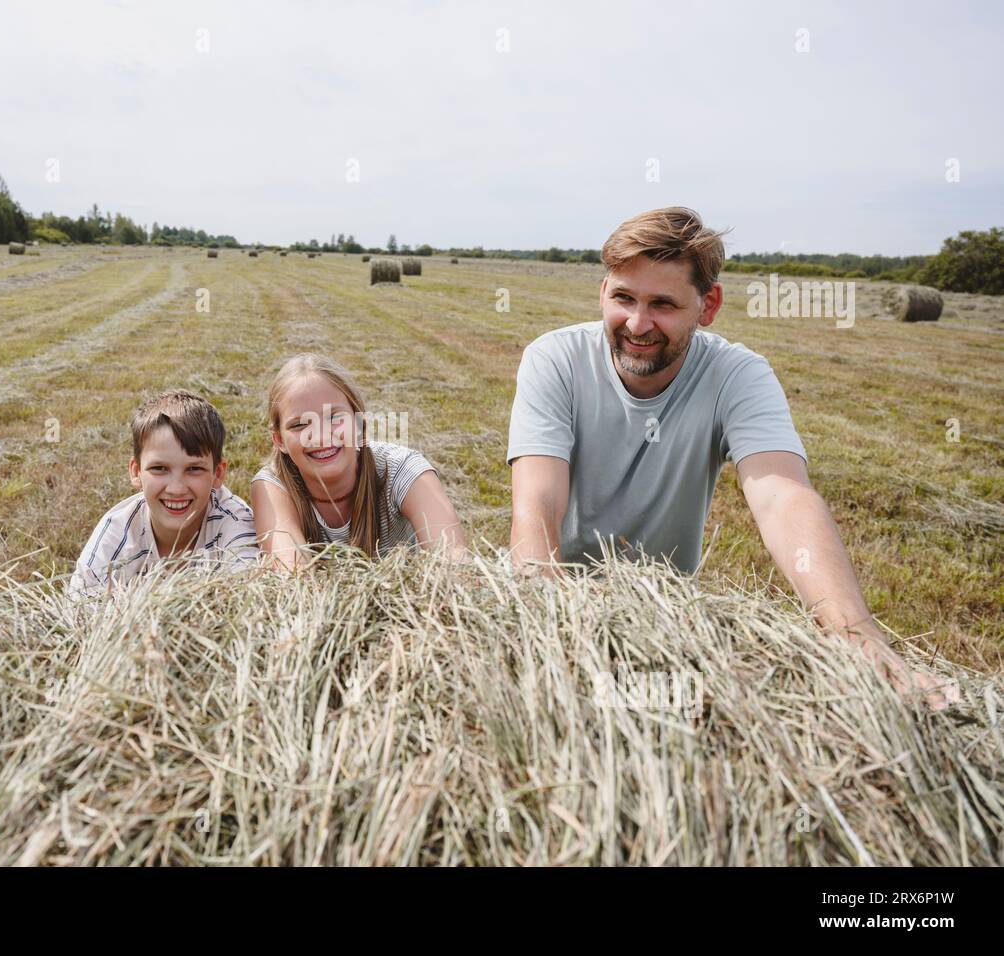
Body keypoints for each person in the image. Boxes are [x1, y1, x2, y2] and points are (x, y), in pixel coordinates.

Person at [507, 206, 956, 708]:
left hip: (665, 619)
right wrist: (546, 626)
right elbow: (537, 502)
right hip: (558, 595)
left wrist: (857, 637)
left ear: (709, 304)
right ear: (602, 290)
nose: (637, 323)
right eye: (623, 297)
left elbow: (783, 497)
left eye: (663, 304)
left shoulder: (737, 375)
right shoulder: (554, 360)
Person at [251, 353, 466, 568]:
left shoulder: (403, 469)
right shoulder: (273, 487)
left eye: (334, 417)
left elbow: (452, 562)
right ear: (279, 439)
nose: (321, 435)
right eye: (299, 425)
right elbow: (291, 574)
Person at [70, 390, 257, 596]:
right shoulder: (116, 537)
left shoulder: (234, 522)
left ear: (218, 474)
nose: (176, 489)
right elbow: (79, 610)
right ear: (136, 471)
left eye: (194, 469)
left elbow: (249, 595)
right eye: (159, 468)